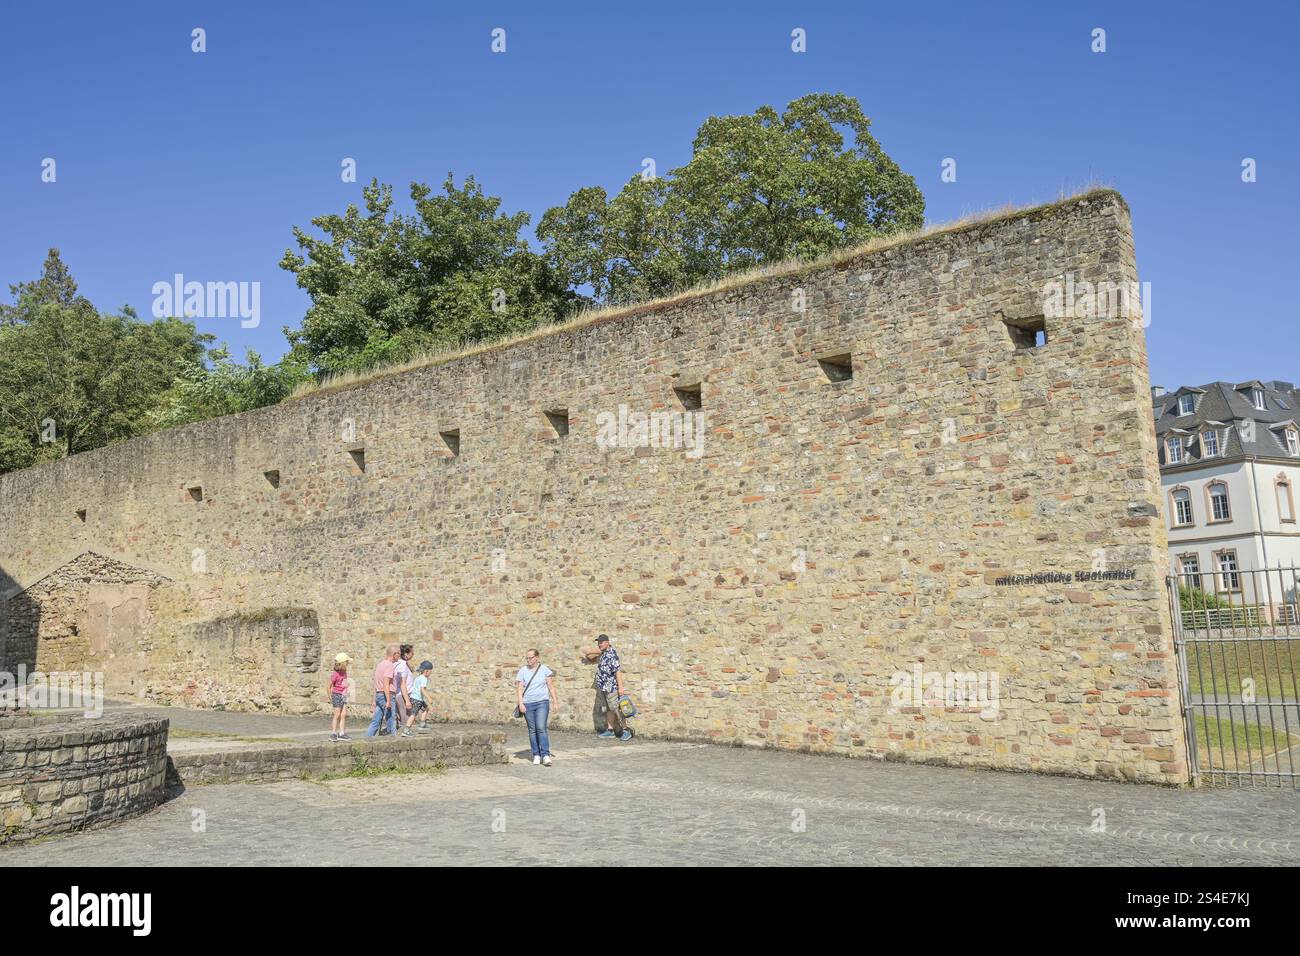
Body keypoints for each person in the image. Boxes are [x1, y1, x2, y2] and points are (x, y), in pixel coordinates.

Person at [515, 648, 557, 765]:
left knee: (541, 728)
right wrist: (521, 703)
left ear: (537, 658)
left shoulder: (544, 670)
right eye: (527, 658)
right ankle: (536, 754)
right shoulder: (523, 671)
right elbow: (519, 689)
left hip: (542, 702)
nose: (528, 660)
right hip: (528, 704)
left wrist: (555, 702)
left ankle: (546, 755)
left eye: (530, 658)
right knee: (532, 730)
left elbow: (551, 687)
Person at [589, 634, 631, 741]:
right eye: (598, 643)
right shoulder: (603, 653)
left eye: (601, 642)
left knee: (616, 709)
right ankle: (610, 730)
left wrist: (620, 688)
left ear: (607, 642)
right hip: (604, 688)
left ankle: (626, 730)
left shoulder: (612, 655)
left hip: (611, 688)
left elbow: (617, 671)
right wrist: (598, 651)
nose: (599, 644)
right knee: (608, 709)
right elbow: (586, 653)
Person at [366, 645, 399, 737]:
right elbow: (386, 683)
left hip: (379, 694)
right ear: (394, 654)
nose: (399, 656)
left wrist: (374, 701)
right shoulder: (389, 665)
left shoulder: (380, 664)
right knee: (391, 719)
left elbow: (376, 684)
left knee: (376, 720)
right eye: (398, 654)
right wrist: (388, 700)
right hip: (386, 695)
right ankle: (394, 740)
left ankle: (366, 739)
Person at [328, 652, 352, 742]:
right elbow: (329, 686)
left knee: (343, 714)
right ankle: (333, 733)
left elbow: (344, 683)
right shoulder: (335, 674)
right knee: (337, 714)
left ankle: (341, 733)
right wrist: (331, 697)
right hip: (337, 695)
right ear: (342, 663)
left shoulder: (344, 672)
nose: (348, 664)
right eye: (347, 662)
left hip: (343, 695)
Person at [405, 660, 433, 733]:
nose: (431, 673)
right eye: (430, 671)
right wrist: (429, 698)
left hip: (416, 698)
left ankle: (422, 724)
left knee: (425, 708)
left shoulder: (418, 677)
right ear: (426, 671)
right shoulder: (424, 679)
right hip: (417, 700)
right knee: (413, 714)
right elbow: (422, 689)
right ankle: (406, 730)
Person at [394, 644, 414, 737]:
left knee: (403, 718)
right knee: (404, 720)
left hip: (402, 694)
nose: (413, 654)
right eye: (412, 653)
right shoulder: (402, 665)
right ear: (406, 653)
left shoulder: (401, 664)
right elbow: (402, 684)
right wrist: (407, 700)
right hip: (402, 695)